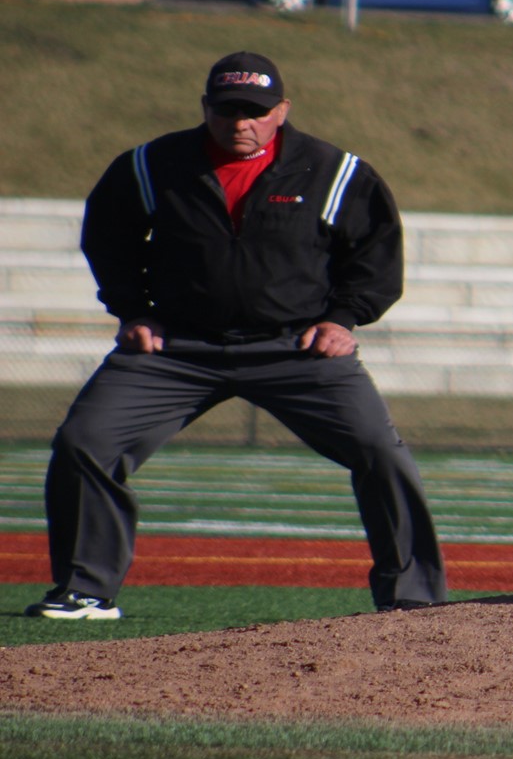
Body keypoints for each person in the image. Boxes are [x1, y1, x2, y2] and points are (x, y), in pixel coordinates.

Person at [26, 52, 446, 620]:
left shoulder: (333, 170)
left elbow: (375, 251)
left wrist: (343, 319)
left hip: (295, 348)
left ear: (282, 111)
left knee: (379, 451)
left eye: (256, 110)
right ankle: (85, 589)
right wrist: (132, 311)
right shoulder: (152, 165)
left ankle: (411, 595)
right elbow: (108, 237)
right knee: (84, 442)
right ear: (206, 108)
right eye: (227, 110)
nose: (240, 122)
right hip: (178, 348)